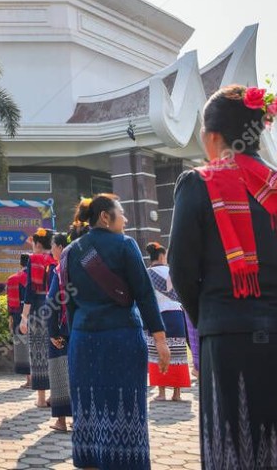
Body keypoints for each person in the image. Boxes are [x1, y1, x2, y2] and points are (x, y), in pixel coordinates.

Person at [169, 84, 277, 469]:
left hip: (227, 338)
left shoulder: (198, 183)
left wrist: (207, 320)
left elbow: (181, 269)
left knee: (233, 447)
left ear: (212, 137)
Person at [62, 194, 170, 470]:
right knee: (125, 405)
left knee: (88, 406)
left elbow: (69, 304)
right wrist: (160, 339)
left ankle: (91, 459)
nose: (126, 219)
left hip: (83, 341)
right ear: (105, 217)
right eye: (121, 213)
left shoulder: (71, 251)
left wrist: (75, 338)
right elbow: (145, 295)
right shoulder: (125, 245)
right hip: (121, 338)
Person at [144, 241, 191, 401]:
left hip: (156, 316)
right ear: (162, 256)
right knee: (178, 353)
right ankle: (177, 393)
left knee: (157, 352)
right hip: (176, 315)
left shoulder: (146, 274)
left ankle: (161, 392)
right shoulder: (173, 272)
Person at [19, 228, 56, 409]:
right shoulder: (57, 260)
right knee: (56, 352)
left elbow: (29, 292)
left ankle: (41, 399)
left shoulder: (34, 260)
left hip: (38, 310)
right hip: (56, 309)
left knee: (39, 352)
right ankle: (55, 395)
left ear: (38, 245)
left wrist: (24, 317)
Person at [47, 232, 72, 433]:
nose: (51, 250)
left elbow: (52, 302)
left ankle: (61, 421)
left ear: (61, 248)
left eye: (53, 246)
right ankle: (80, 420)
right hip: (84, 329)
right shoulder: (86, 267)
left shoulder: (59, 270)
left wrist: (53, 332)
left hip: (63, 330)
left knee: (60, 373)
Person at [6, 253, 30, 386]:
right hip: (35, 314)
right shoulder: (37, 279)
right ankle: (36, 378)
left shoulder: (12, 279)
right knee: (35, 344)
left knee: (22, 346)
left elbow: (10, 301)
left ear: (20, 264)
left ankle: (29, 380)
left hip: (18, 315)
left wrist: (10, 317)